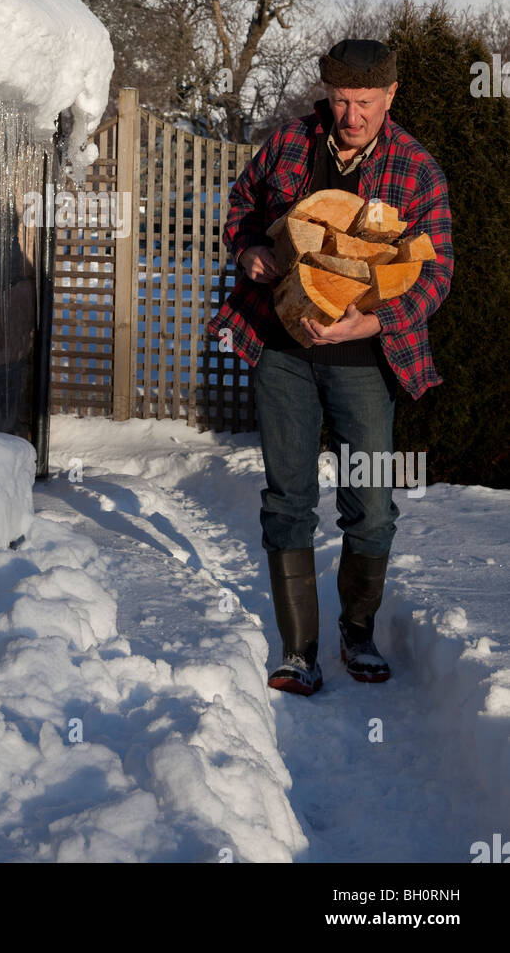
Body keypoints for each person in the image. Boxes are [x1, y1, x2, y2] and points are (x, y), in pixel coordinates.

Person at [207, 39, 453, 695]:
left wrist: (372, 321)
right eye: (342, 100)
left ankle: (359, 633)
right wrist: (252, 251)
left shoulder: (416, 170)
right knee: (289, 499)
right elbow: (238, 211)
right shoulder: (288, 144)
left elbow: (435, 271)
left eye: (366, 103)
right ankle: (298, 651)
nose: (351, 116)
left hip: (366, 362)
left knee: (370, 506)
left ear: (391, 96)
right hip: (282, 357)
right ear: (328, 92)